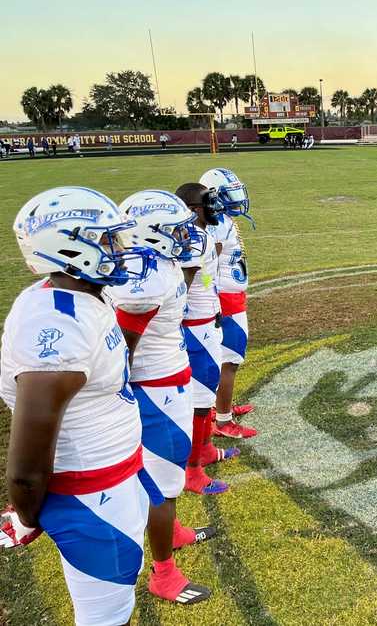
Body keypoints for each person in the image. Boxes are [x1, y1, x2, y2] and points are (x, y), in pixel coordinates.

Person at [1, 187, 158, 626]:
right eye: (106, 239)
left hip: (111, 477)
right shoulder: (55, 326)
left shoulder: (79, 296)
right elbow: (26, 462)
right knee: (106, 617)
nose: (120, 250)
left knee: (118, 596)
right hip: (90, 492)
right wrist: (28, 515)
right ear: (69, 245)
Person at [108, 190, 215, 605]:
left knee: (165, 475)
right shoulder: (145, 278)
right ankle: (163, 573)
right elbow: (124, 351)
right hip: (154, 389)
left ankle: (171, 534)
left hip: (168, 380)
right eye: (174, 229)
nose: (184, 235)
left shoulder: (155, 265)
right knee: (162, 482)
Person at [174, 183, 232, 495]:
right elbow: (180, 289)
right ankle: (192, 469)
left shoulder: (203, 237)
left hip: (207, 322)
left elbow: (204, 278)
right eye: (207, 203)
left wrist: (216, 306)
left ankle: (205, 449)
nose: (214, 208)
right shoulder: (192, 240)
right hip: (195, 329)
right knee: (199, 402)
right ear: (194, 209)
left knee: (206, 395)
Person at [200, 168, 257, 439]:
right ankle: (223, 420)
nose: (236, 199)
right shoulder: (218, 223)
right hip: (226, 299)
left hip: (228, 295)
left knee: (226, 358)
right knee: (230, 360)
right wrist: (214, 299)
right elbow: (209, 262)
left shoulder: (220, 219)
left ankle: (219, 407)